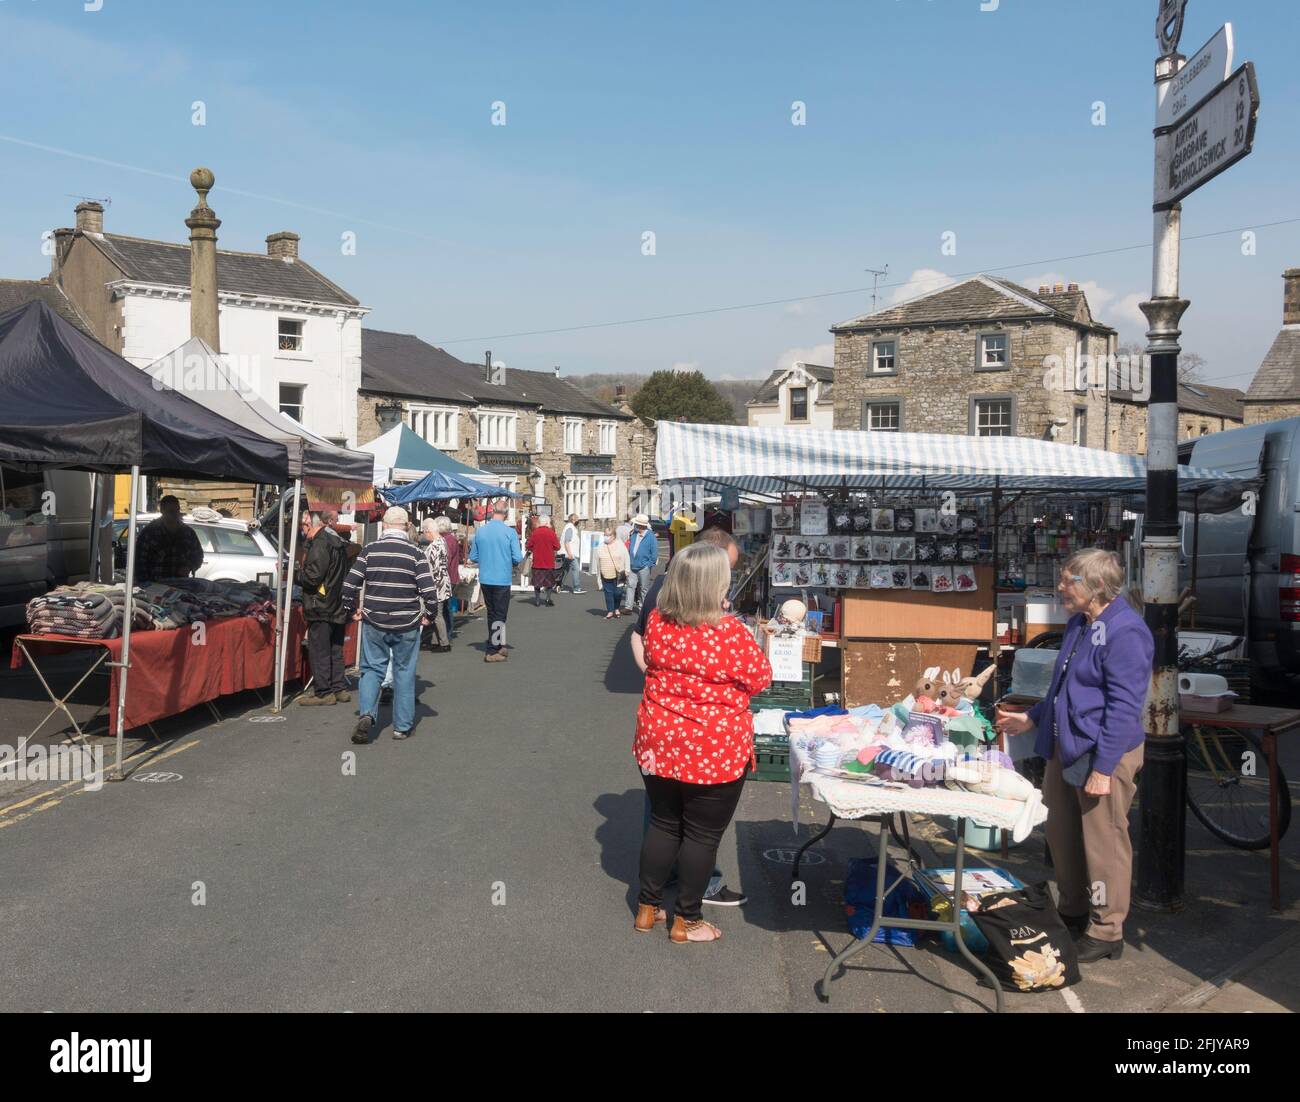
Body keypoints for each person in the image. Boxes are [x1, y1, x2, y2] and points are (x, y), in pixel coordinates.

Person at [996, 549, 1153, 964]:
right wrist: (1031, 718)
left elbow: (1123, 707)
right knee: (1062, 836)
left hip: (1104, 753)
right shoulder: (1080, 624)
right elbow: (1062, 691)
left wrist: (1103, 769)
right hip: (1065, 748)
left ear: (1097, 586)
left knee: (1103, 844)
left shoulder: (1126, 632)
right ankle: (1073, 908)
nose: (1062, 587)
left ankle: (1105, 930)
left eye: (1069, 580)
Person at [633, 542, 772, 943]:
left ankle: (648, 908)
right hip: (713, 745)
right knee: (701, 835)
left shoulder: (659, 621)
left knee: (663, 822)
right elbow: (761, 678)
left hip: (659, 736)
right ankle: (687, 920)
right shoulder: (729, 632)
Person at [342, 506, 438, 743]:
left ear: (384, 525)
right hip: (407, 622)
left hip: (375, 620)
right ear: (406, 527)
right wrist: (430, 615)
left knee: (372, 669)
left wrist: (351, 609)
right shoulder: (416, 554)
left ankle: (367, 714)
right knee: (404, 671)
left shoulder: (370, 550)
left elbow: (349, 585)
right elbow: (430, 592)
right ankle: (402, 727)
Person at [297, 510, 351, 705]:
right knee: (335, 648)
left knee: (320, 649)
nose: (303, 530)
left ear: (311, 524)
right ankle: (339, 688)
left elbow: (313, 577)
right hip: (335, 602)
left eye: (304, 526)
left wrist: (295, 575)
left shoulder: (321, 542)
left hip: (321, 604)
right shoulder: (336, 541)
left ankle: (324, 692)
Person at [469, 502, 523, 663]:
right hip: (501, 578)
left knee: (492, 612)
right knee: (500, 614)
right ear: (505, 514)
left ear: (492, 512)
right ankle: (493, 649)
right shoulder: (509, 532)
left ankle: (498, 644)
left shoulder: (481, 531)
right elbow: (517, 557)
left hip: (486, 577)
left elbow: (474, 556)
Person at [133, 495, 204, 583]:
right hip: (156, 585)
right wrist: (145, 584)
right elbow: (139, 560)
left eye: (177, 511)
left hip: (181, 585)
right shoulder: (149, 532)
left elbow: (198, 556)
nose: (175, 514)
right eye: (171, 511)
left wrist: (189, 567)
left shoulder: (188, 533)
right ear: (162, 511)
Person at [419, 518, 453, 652]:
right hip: (443, 582)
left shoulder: (433, 547)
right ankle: (435, 641)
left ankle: (444, 643)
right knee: (436, 614)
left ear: (428, 532)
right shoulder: (442, 542)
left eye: (424, 532)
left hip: (437, 585)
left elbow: (433, 569)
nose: (424, 535)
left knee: (436, 615)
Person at [623, 513, 657, 614]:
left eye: (636, 524)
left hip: (644, 566)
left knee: (644, 588)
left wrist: (650, 564)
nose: (635, 525)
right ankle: (628, 607)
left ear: (642, 525)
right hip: (633, 564)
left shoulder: (650, 536)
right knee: (630, 586)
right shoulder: (634, 534)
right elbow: (630, 546)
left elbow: (654, 552)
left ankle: (643, 608)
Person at [525, 515, 562, 606]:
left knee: (537, 583)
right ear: (547, 522)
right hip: (549, 562)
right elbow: (557, 546)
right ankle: (548, 598)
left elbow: (528, 546)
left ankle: (537, 600)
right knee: (549, 582)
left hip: (537, 562)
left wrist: (534, 548)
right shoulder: (551, 533)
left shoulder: (535, 533)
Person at [595, 527, 630, 620]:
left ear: (613, 536)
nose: (606, 537)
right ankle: (610, 611)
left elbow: (627, 557)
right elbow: (597, 562)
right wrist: (598, 575)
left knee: (618, 593)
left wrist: (627, 570)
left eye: (608, 535)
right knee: (608, 593)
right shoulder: (600, 546)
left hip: (620, 573)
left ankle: (617, 608)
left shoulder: (620, 545)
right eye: (605, 535)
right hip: (606, 573)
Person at [438, 515, 461, 641]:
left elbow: (445, 559)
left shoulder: (447, 540)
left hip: (449, 577)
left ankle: (447, 633)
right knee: (447, 607)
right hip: (452, 576)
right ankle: (447, 632)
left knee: (446, 608)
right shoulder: (451, 539)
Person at [560, 513, 584, 594]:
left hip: (567, 553)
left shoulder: (571, 527)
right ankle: (576, 588)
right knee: (576, 569)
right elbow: (567, 541)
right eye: (577, 519)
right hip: (569, 553)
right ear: (573, 520)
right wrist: (569, 553)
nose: (578, 520)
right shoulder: (570, 527)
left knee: (565, 570)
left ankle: (560, 586)